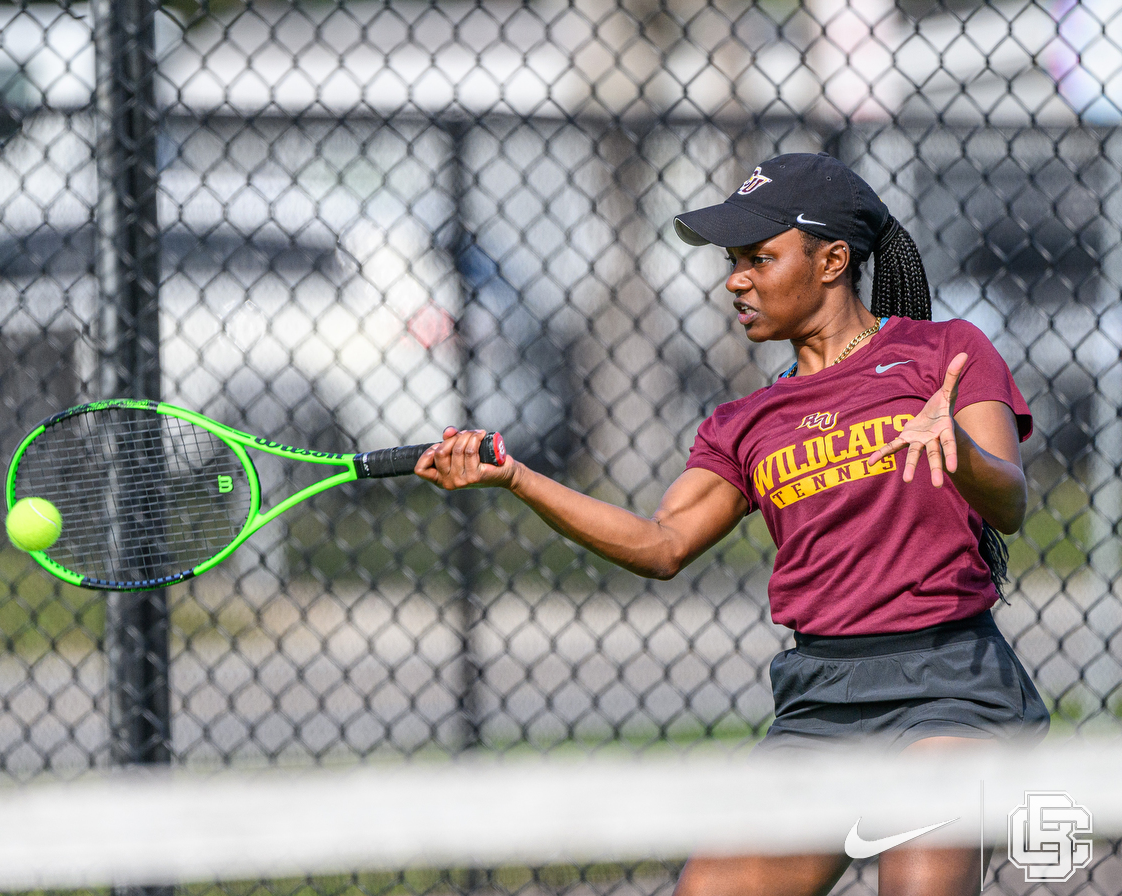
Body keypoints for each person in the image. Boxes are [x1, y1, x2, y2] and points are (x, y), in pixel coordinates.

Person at [415, 152, 1049, 896]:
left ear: (832, 260)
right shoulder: (742, 423)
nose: (736, 281)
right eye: (732, 262)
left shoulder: (943, 355)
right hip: (822, 703)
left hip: (950, 690)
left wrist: (961, 456)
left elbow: (1009, 500)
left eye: (759, 258)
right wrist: (518, 478)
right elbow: (662, 544)